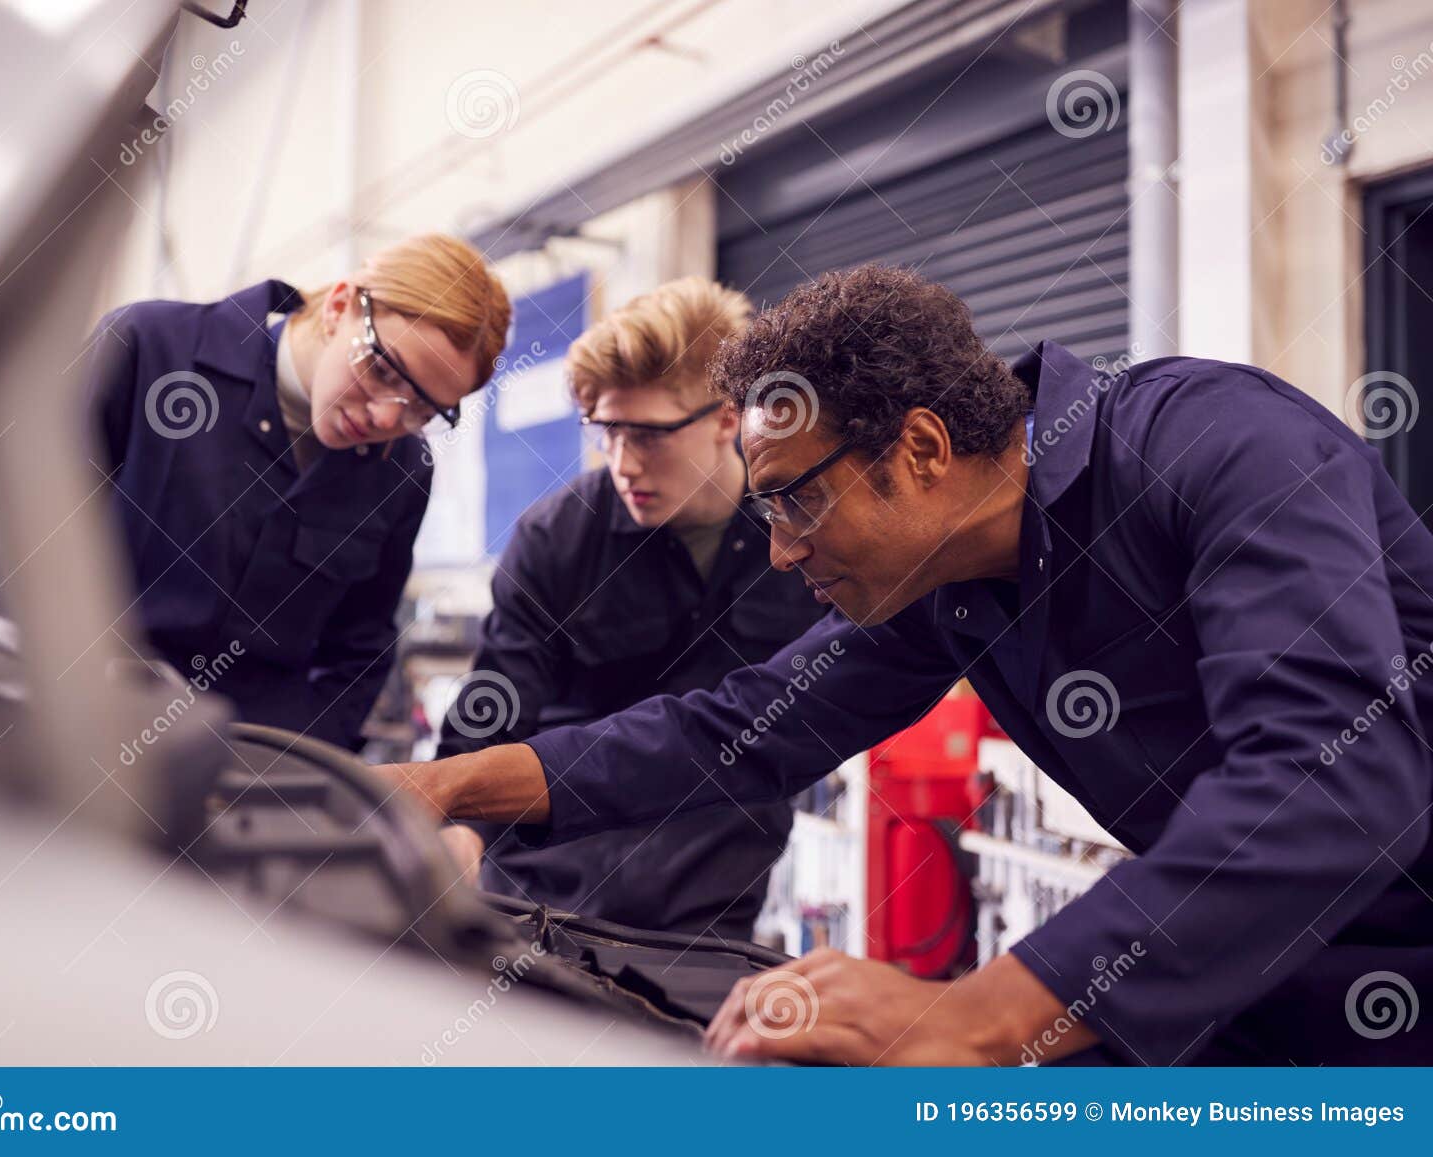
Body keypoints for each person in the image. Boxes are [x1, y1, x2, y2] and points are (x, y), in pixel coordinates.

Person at [381, 263, 1433, 1066]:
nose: (783, 551)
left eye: (796, 497)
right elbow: (738, 730)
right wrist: (439, 785)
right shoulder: (948, 588)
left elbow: (1334, 779)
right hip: (1257, 963)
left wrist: (978, 1010)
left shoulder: (1215, 445)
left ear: (922, 449)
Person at [0, 235, 511, 751]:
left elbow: (359, 649)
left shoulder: (402, 471)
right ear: (340, 306)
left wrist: (299, 767)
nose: (389, 414)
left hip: (248, 780)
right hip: (72, 739)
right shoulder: (153, 351)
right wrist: (33, 706)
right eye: (386, 370)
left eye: (423, 409)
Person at [436, 278, 823, 941]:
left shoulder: (806, 534)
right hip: (546, 888)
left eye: (646, 436)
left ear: (727, 417)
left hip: (711, 900)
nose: (622, 464)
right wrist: (460, 828)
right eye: (607, 434)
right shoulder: (557, 538)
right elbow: (499, 695)